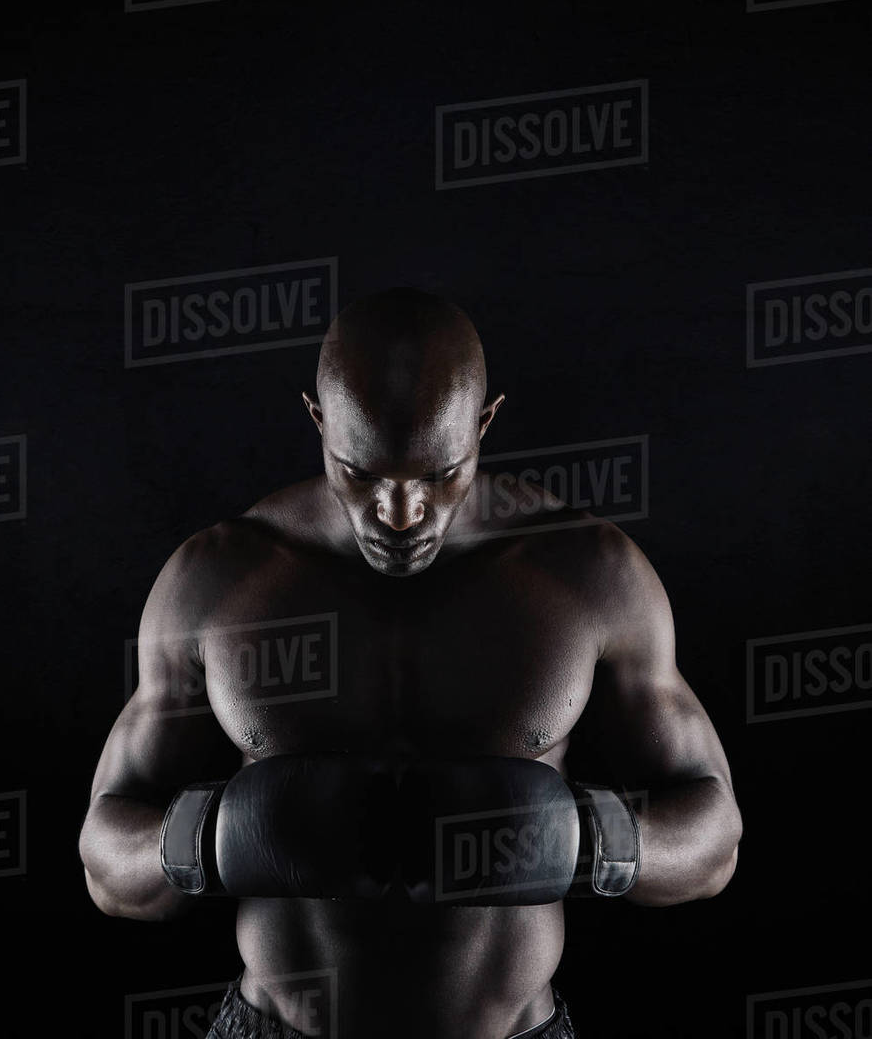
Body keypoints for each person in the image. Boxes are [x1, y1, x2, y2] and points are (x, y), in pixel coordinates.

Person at [79, 287, 742, 1038]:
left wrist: (585, 841)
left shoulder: (590, 576)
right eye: (361, 473)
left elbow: (715, 841)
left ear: (484, 423)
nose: (400, 512)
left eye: (438, 474)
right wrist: (206, 838)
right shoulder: (219, 580)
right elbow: (104, 862)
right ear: (317, 421)